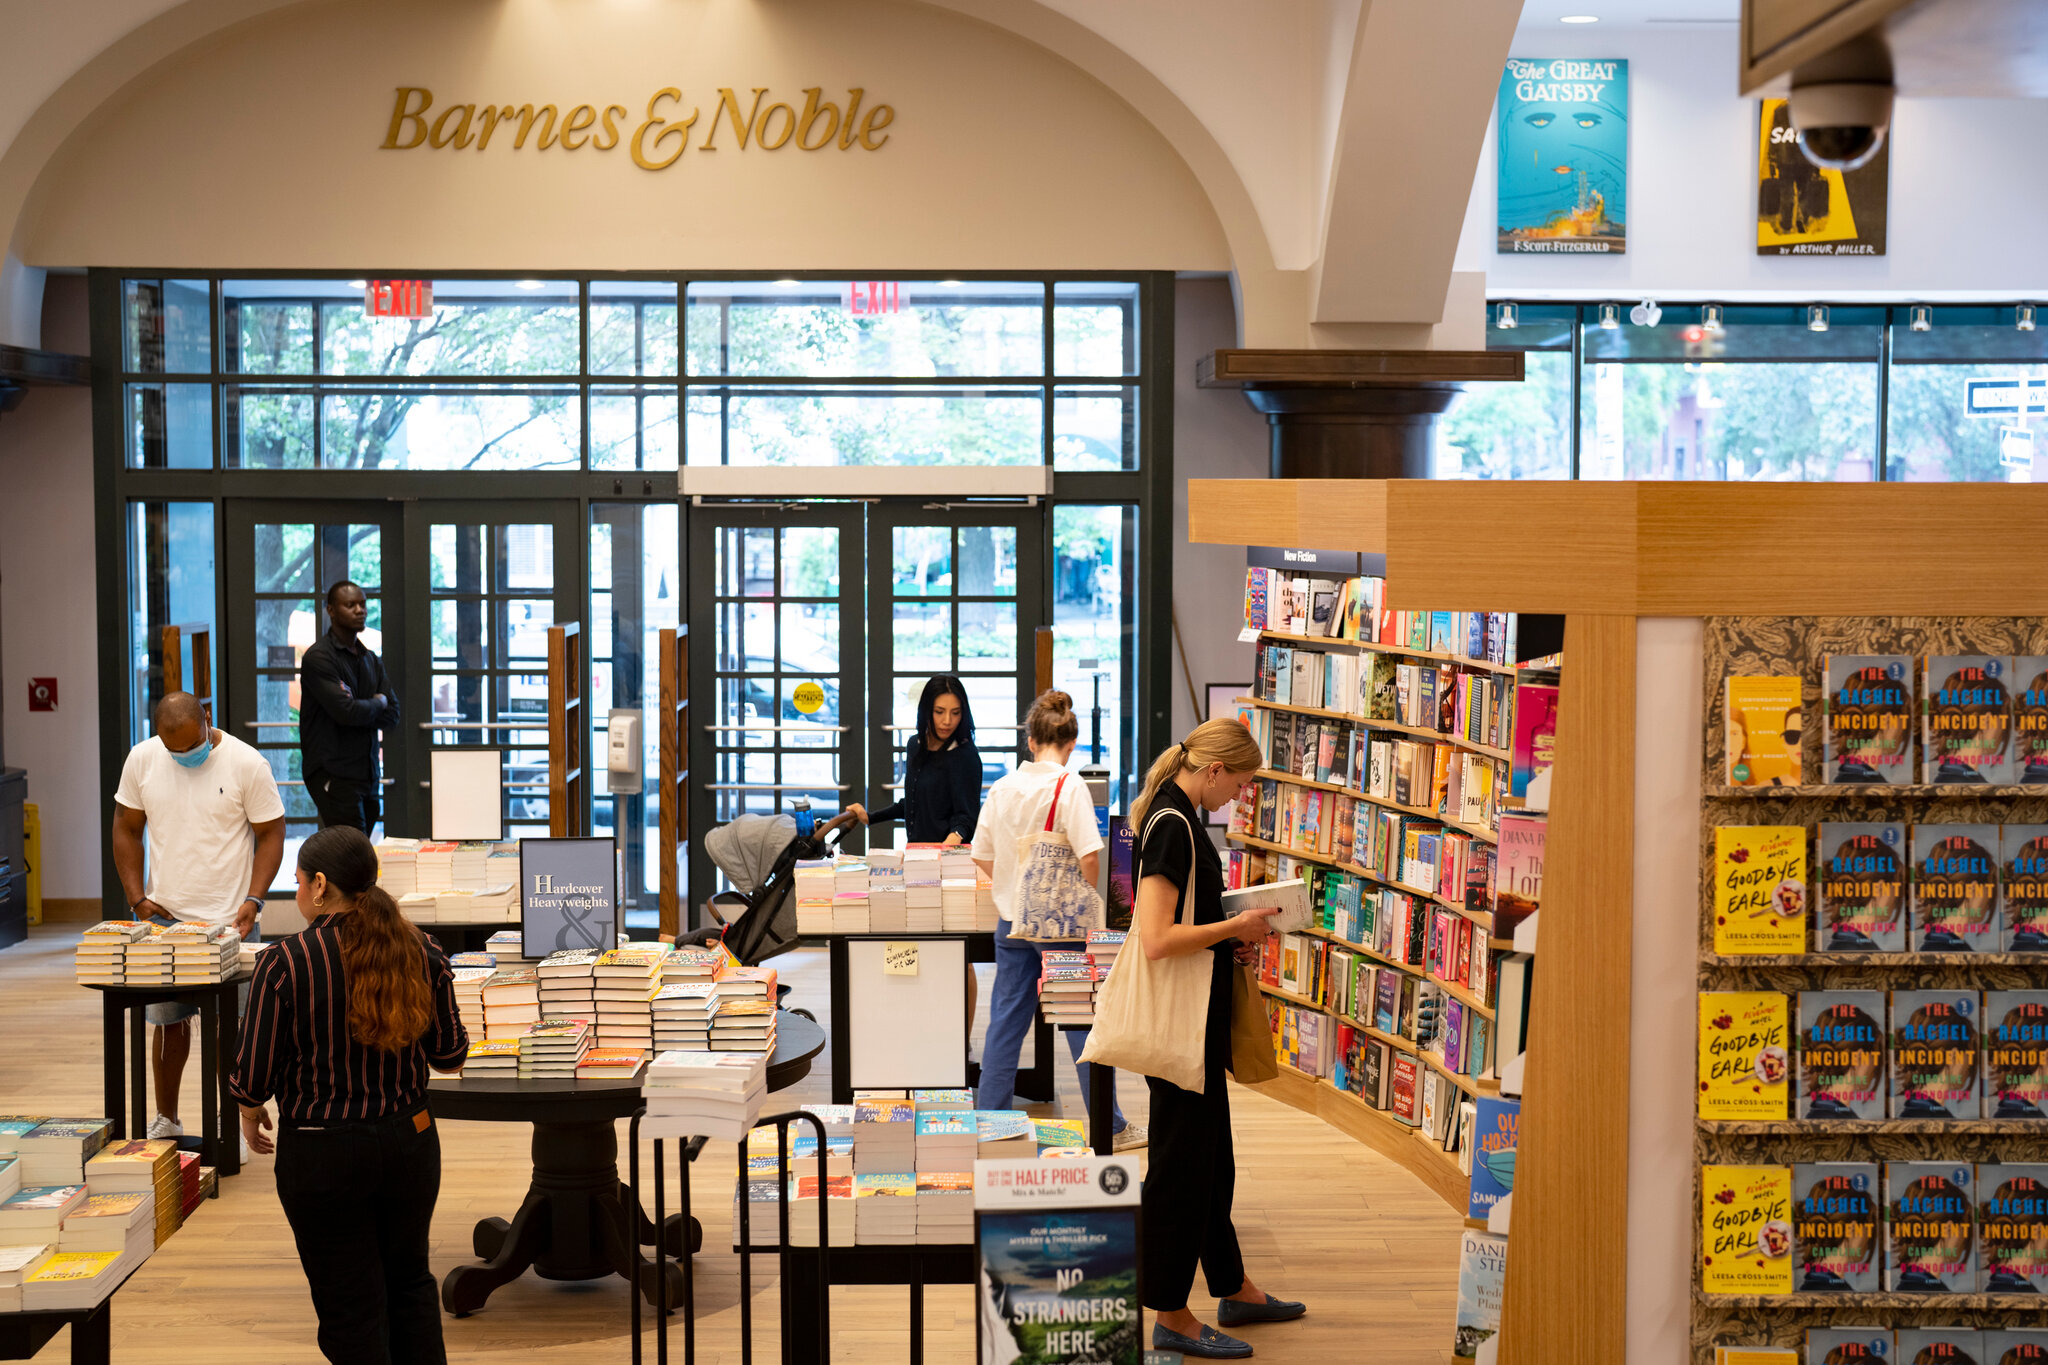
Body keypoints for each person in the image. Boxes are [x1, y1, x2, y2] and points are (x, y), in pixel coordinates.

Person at [230, 825, 467, 1365]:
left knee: (348, 1303)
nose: (295, 890)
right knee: (410, 1283)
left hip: (321, 1150)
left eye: (296, 879)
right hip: (410, 1141)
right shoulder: (422, 950)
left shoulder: (284, 962)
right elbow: (450, 1055)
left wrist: (248, 1109)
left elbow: (254, 1077)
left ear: (319, 885)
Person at [1128, 719, 1305, 1361]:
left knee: (1211, 1161)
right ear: (1213, 771)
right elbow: (1155, 937)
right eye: (1240, 781)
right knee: (1181, 1168)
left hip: (1196, 1017)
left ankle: (1233, 1287)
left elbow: (1187, 921)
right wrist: (1236, 924)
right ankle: (1171, 1312)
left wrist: (1232, 931)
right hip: (1180, 1024)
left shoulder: (1179, 815)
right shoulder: (1172, 827)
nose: (1240, 795)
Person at [970, 690, 1142, 1151]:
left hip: (1012, 923)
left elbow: (980, 854)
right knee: (1082, 1024)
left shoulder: (1002, 787)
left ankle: (990, 1121)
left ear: (1030, 740)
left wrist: (1013, 887)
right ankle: (1112, 1125)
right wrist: (1093, 906)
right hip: (1060, 929)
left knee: (1005, 1022)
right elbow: (1091, 856)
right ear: (1071, 742)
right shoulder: (1071, 787)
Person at [113, 691, 286, 1143]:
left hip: (234, 920)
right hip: (165, 919)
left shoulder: (247, 764)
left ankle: (231, 1120)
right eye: (175, 751)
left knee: (234, 1031)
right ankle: (167, 1118)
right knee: (168, 1024)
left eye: (192, 746)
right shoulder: (144, 760)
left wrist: (255, 898)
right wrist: (137, 898)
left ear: (207, 719)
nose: (185, 756)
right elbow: (127, 828)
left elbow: (270, 833)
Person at [299, 579, 398, 832]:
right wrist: (376, 702)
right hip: (332, 774)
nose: (360, 610)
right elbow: (346, 712)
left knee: (359, 849)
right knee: (350, 851)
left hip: (367, 774)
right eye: (350, 605)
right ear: (331, 610)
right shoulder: (319, 657)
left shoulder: (370, 659)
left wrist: (364, 707)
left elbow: (392, 715)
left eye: (363, 604)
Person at [847, 674, 982, 845]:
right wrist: (869, 817)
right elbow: (914, 802)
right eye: (939, 712)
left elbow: (966, 817)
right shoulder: (915, 745)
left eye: (955, 713)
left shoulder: (965, 755)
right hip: (917, 850)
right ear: (926, 710)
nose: (947, 721)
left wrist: (952, 840)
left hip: (948, 856)